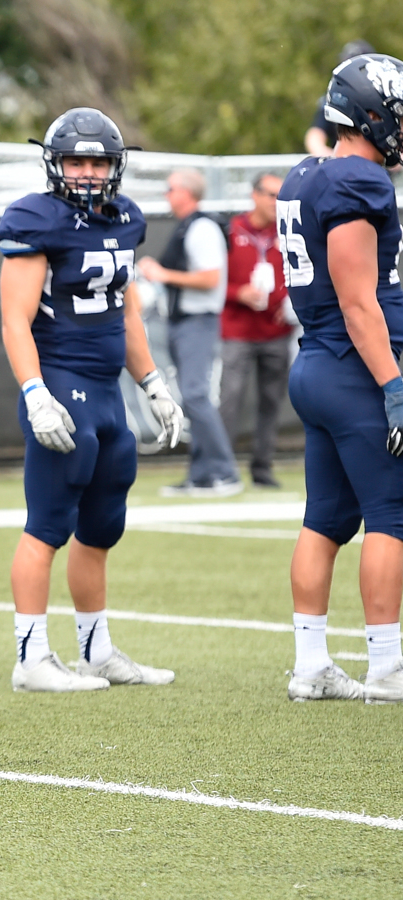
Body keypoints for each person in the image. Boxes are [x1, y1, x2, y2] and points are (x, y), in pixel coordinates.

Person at [0, 108, 185, 692]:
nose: (85, 172)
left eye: (97, 161)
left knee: (103, 525)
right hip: (61, 381)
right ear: (55, 164)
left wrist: (153, 382)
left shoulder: (126, 218)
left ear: (115, 166)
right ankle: (30, 658)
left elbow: (127, 310)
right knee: (48, 524)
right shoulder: (36, 219)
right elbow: (14, 319)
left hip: (108, 391)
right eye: (75, 160)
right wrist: (35, 394)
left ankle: (95, 651)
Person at [278, 54, 403, 703]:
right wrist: (394, 385)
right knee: (392, 512)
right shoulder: (359, 182)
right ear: (371, 116)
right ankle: (387, 667)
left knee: (326, 518)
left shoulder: (306, 175)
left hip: (318, 365)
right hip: (355, 369)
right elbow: (359, 303)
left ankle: (310, 664)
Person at [138, 168, 239, 497]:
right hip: (184, 321)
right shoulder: (188, 226)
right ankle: (201, 475)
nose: (167, 194)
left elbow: (210, 278)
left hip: (198, 321)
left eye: (170, 189)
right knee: (190, 397)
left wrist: (161, 274)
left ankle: (224, 472)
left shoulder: (202, 227)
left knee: (195, 396)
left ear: (186, 192)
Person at [220, 171, 293, 489]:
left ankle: (262, 467)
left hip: (276, 333)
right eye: (271, 195)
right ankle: (221, 466)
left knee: (271, 401)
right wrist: (239, 293)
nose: (277, 203)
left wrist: (291, 305)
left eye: (281, 196)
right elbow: (212, 280)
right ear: (254, 195)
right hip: (237, 330)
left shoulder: (289, 233)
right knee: (230, 399)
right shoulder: (230, 230)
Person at [305, 40, 376, 157]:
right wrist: (333, 158)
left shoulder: (383, 98)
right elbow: (315, 136)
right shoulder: (337, 99)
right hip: (346, 169)